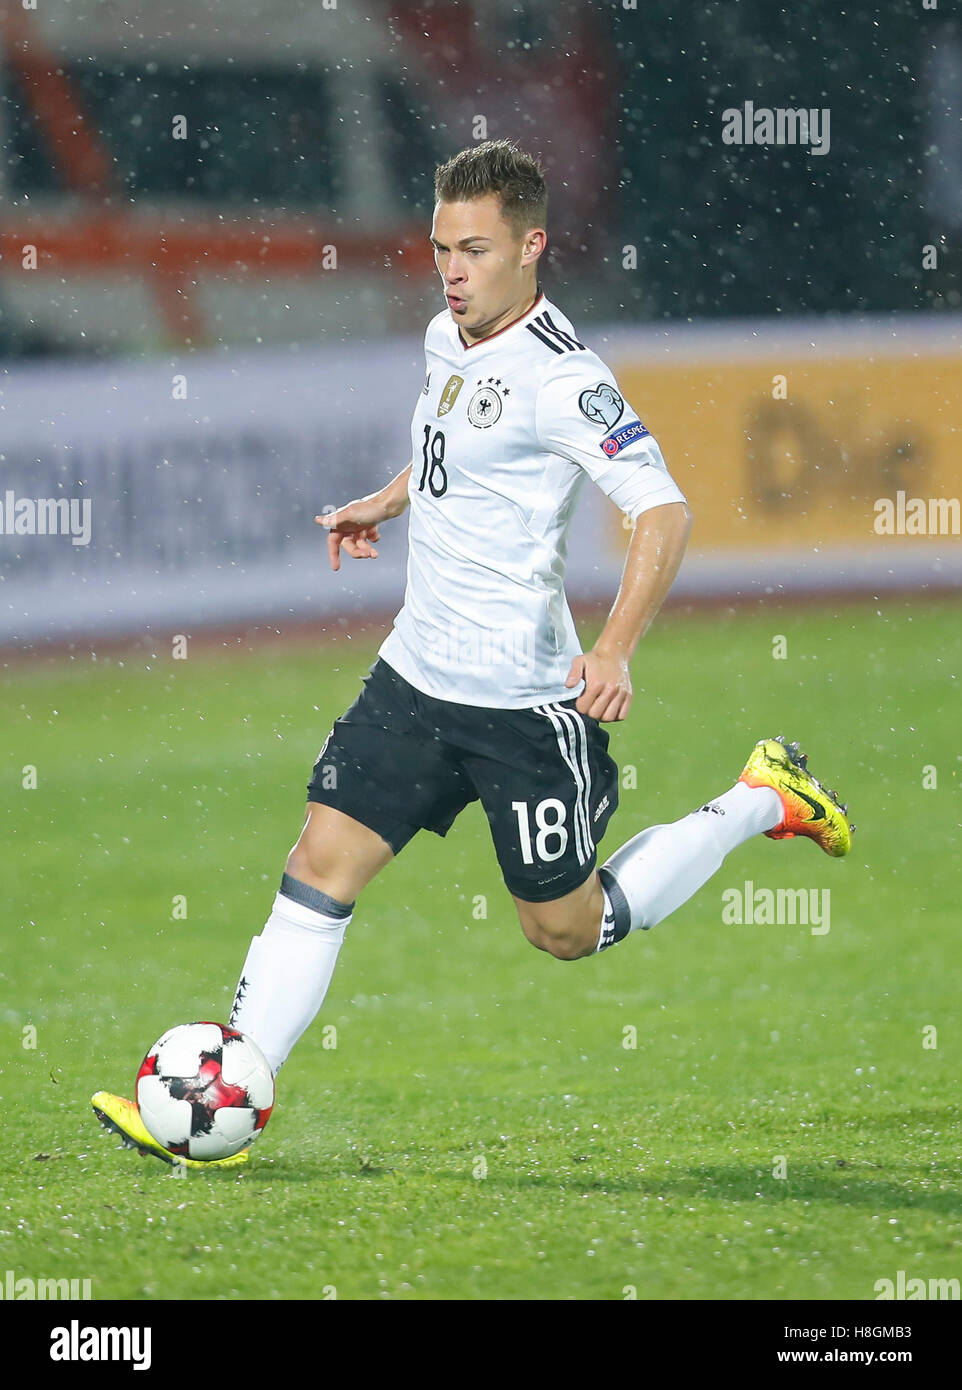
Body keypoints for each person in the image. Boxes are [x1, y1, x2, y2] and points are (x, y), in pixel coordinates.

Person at [93, 140, 852, 1168]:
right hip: (413, 676)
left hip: (521, 707)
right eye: (441, 247)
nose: (451, 270)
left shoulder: (564, 378)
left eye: (475, 249)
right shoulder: (444, 336)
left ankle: (761, 795)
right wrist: (391, 497)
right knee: (318, 865)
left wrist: (615, 649)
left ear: (532, 246)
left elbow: (663, 513)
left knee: (565, 931)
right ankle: (221, 1098)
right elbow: (454, 442)